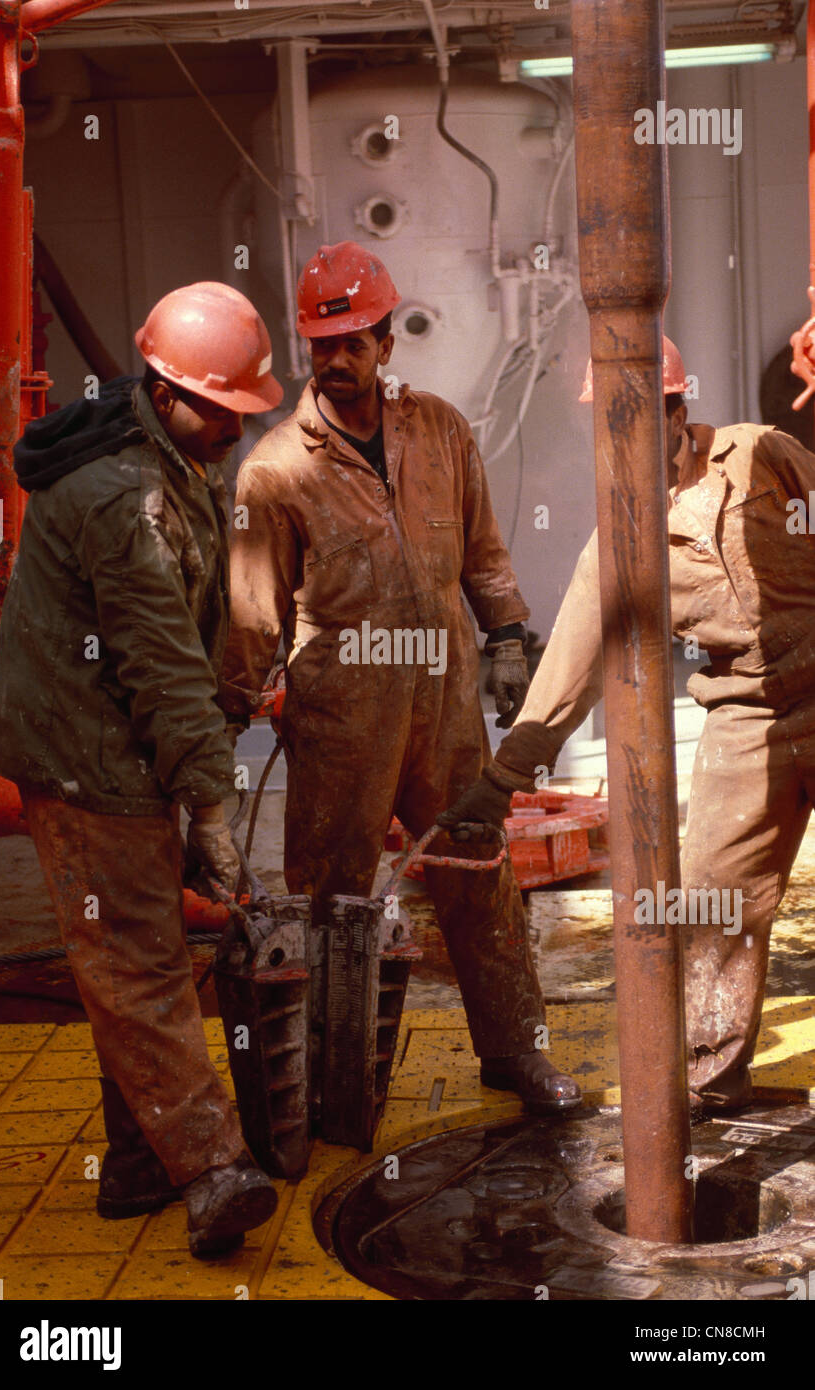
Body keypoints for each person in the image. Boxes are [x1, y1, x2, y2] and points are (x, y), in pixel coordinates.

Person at [221, 241, 580, 1112]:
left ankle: (514, 1053)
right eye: (320, 346)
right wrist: (219, 724)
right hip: (342, 723)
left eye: (352, 342)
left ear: (386, 341)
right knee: (330, 905)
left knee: (477, 873)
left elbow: (483, 550)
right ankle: (327, 1087)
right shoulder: (274, 471)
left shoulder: (442, 431)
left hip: (446, 708)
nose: (335, 361)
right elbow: (250, 613)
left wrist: (503, 634)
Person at [439, 335, 815, 1116]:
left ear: (679, 408)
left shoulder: (764, 456)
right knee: (711, 901)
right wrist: (504, 780)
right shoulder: (620, 540)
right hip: (747, 719)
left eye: (644, 417)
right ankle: (711, 1084)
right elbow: (570, 667)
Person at [0, 282, 285, 1258]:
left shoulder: (169, 459)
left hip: (116, 744)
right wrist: (208, 799)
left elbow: (185, 640)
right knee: (138, 963)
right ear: (165, 390)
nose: (235, 429)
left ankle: (132, 1166)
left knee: (137, 946)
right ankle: (211, 1169)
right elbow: (158, 657)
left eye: (246, 411)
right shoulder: (128, 496)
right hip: (86, 761)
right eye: (223, 410)